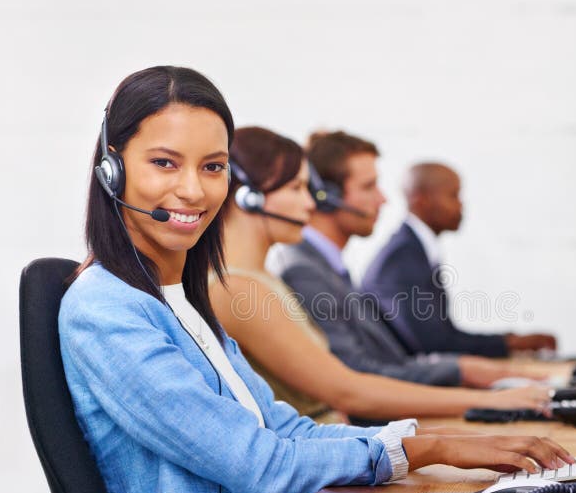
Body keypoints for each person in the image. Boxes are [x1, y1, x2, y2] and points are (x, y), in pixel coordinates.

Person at [57, 66, 575, 493]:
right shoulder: (106, 310)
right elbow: (259, 463)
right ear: (111, 169)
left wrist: (435, 438)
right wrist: (429, 450)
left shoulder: (182, 301)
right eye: (164, 163)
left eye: (213, 167)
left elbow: (286, 429)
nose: (192, 189)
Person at [208, 126, 552, 425]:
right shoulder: (242, 287)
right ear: (249, 198)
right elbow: (348, 390)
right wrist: (488, 400)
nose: (312, 203)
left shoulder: (263, 278)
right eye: (297, 188)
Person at [270, 130, 547, 389]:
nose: (383, 200)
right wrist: (462, 372)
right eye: (369, 187)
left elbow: (387, 363)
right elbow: (357, 376)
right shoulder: (304, 270)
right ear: (326, 197)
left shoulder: (331, 267)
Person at [362, 162, 557, 357]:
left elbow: (442, 335)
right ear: (422, 200)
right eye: (453, 195)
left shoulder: (415, 250)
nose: (461, 205)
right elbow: (433, 343)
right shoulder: (401, 259)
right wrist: (510, 343)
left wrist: (510, 342)